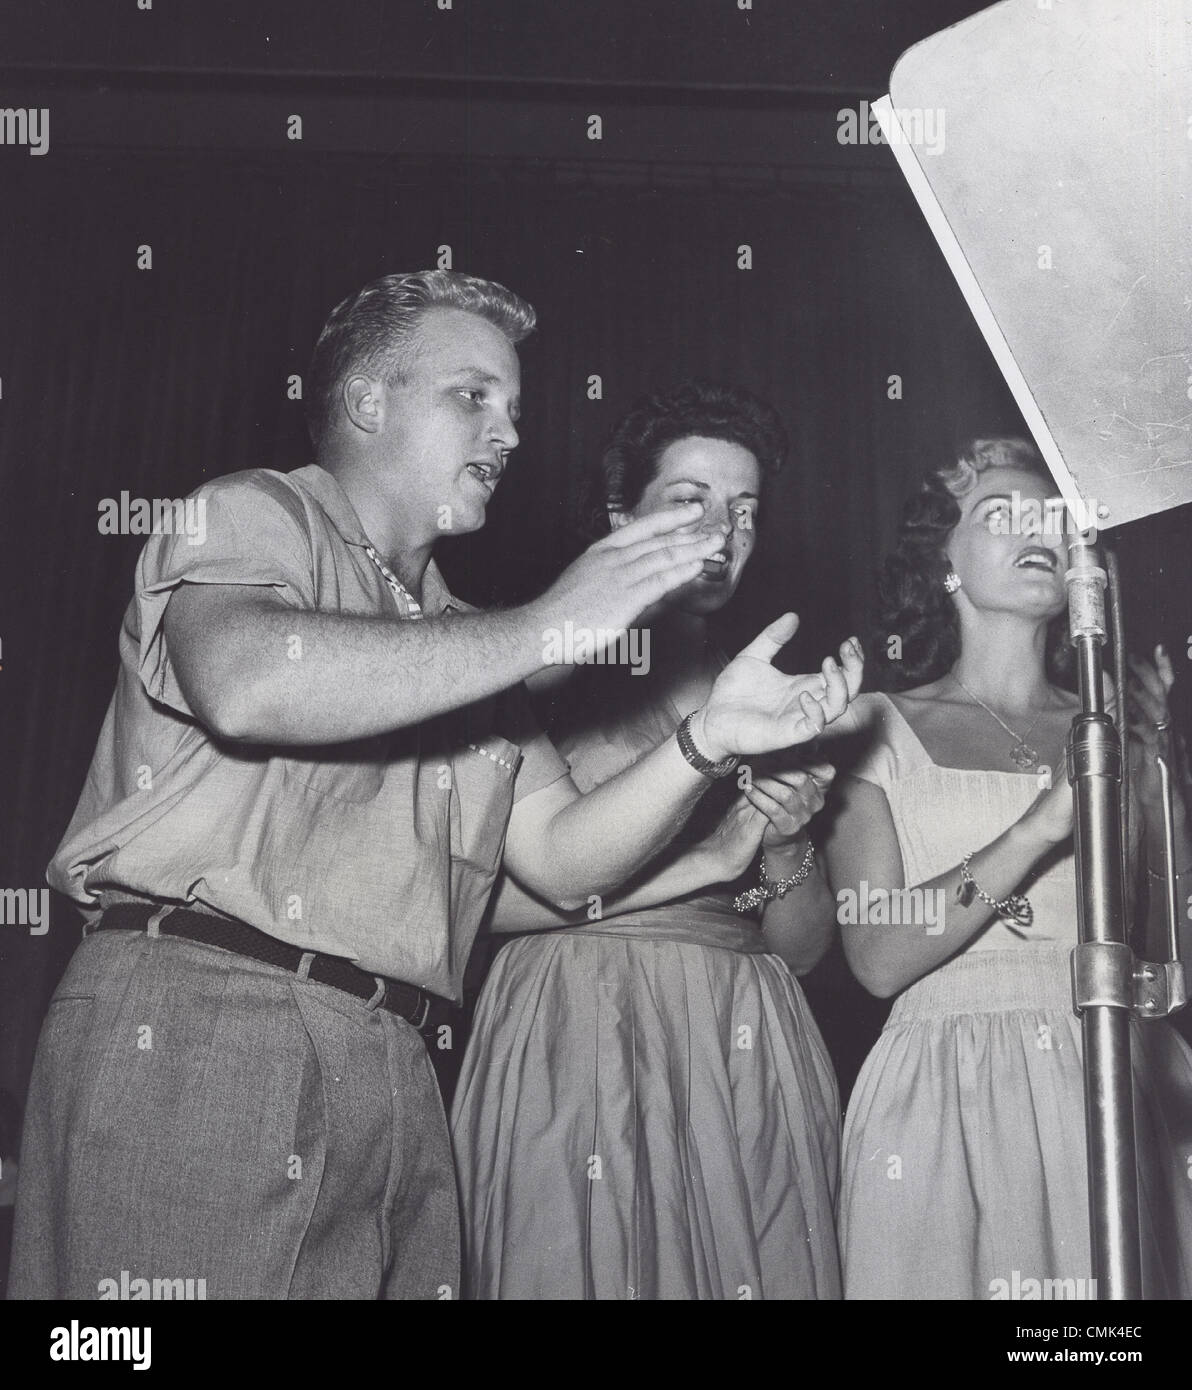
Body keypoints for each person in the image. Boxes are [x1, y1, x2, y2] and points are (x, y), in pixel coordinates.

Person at [9, 271, 857, 1301]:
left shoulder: (465, 640)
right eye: (473, 396)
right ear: (367, 401)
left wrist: (707, 742)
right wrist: (553, 626)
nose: (509, 432)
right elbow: (245, 681)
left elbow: (561, 861)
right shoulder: (254, 511)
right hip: (208, 1019)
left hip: (395, 1057)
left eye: (514, 407)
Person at [451, 381, 861, 1300]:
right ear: (619, 518)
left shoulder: (765, 691)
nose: (723, 529)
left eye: (745, 508)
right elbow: (469, 907)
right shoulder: (536, 669)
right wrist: (705, 864)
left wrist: (783, 840)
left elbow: (803, 950)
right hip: (580, 1015)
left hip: (743, 1030)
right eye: (689, 499)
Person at [820, 436, 1192, 1300]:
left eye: (1056, 518)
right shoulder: (872, 724)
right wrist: (1035, 831)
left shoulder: (1122, 731)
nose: (1040, 530)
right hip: (946, 1084)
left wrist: (1163, 783)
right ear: (941, 561)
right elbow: (876, 957)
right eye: (1004, 513)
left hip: (1116, 1071)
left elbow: (1173, 953)